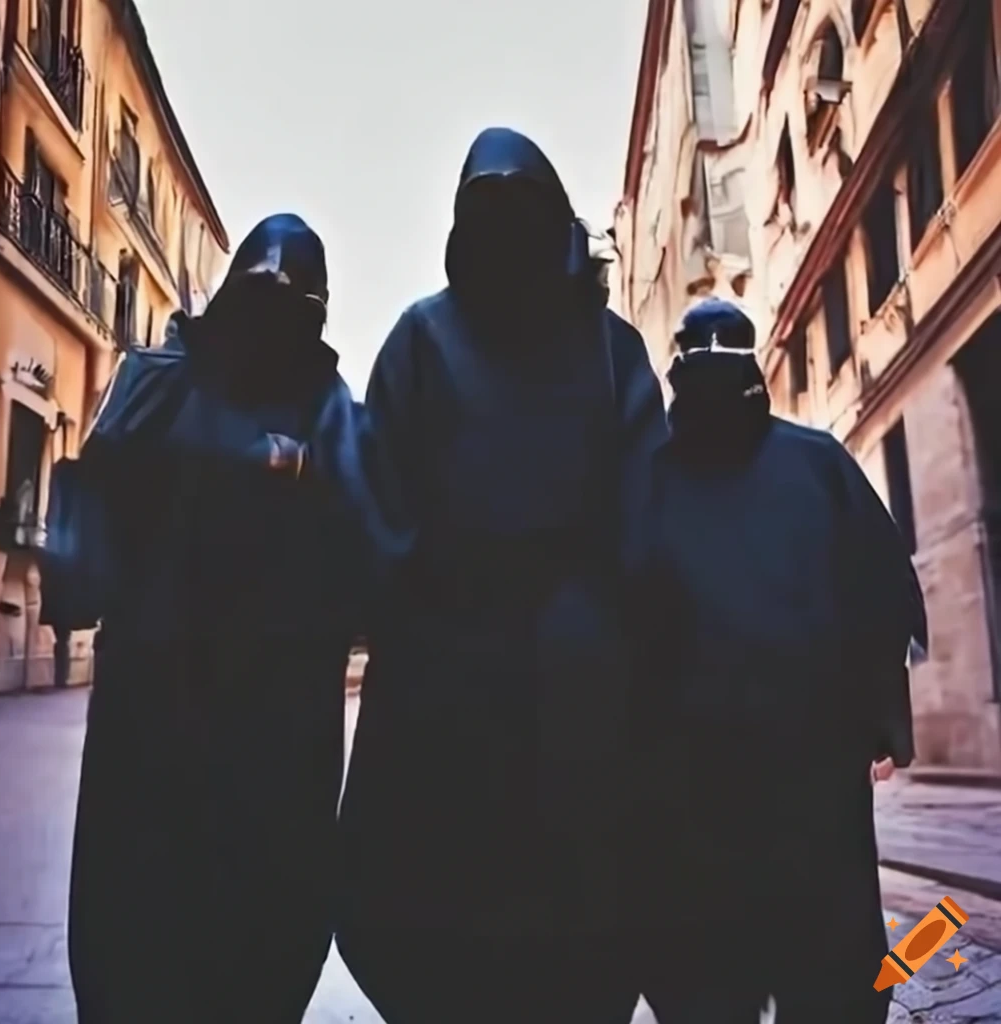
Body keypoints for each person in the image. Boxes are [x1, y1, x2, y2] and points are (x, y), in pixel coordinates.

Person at [336, 127, 667, 1024]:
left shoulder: (613, 351)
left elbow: (646, 521)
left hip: (565, 687)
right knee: (437, 919)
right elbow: (377, 499)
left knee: (574, 926)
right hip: (455, 686)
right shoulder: (421, 339)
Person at [62, 214, 363, 1024]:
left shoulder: (329, 410)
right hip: (159, 727)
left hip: (269, 736)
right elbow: (91, 514)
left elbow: (368, 543)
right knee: (139, 943)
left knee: (254, 947)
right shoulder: (160, 380)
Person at [634, 297, 926, 1024]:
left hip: (808, 772)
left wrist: (884, 718)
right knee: (707, 973)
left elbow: (878, 591)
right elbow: (623, 619)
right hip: (692, 783)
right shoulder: (648, 482)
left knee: (825, 968)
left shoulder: (815, 462)